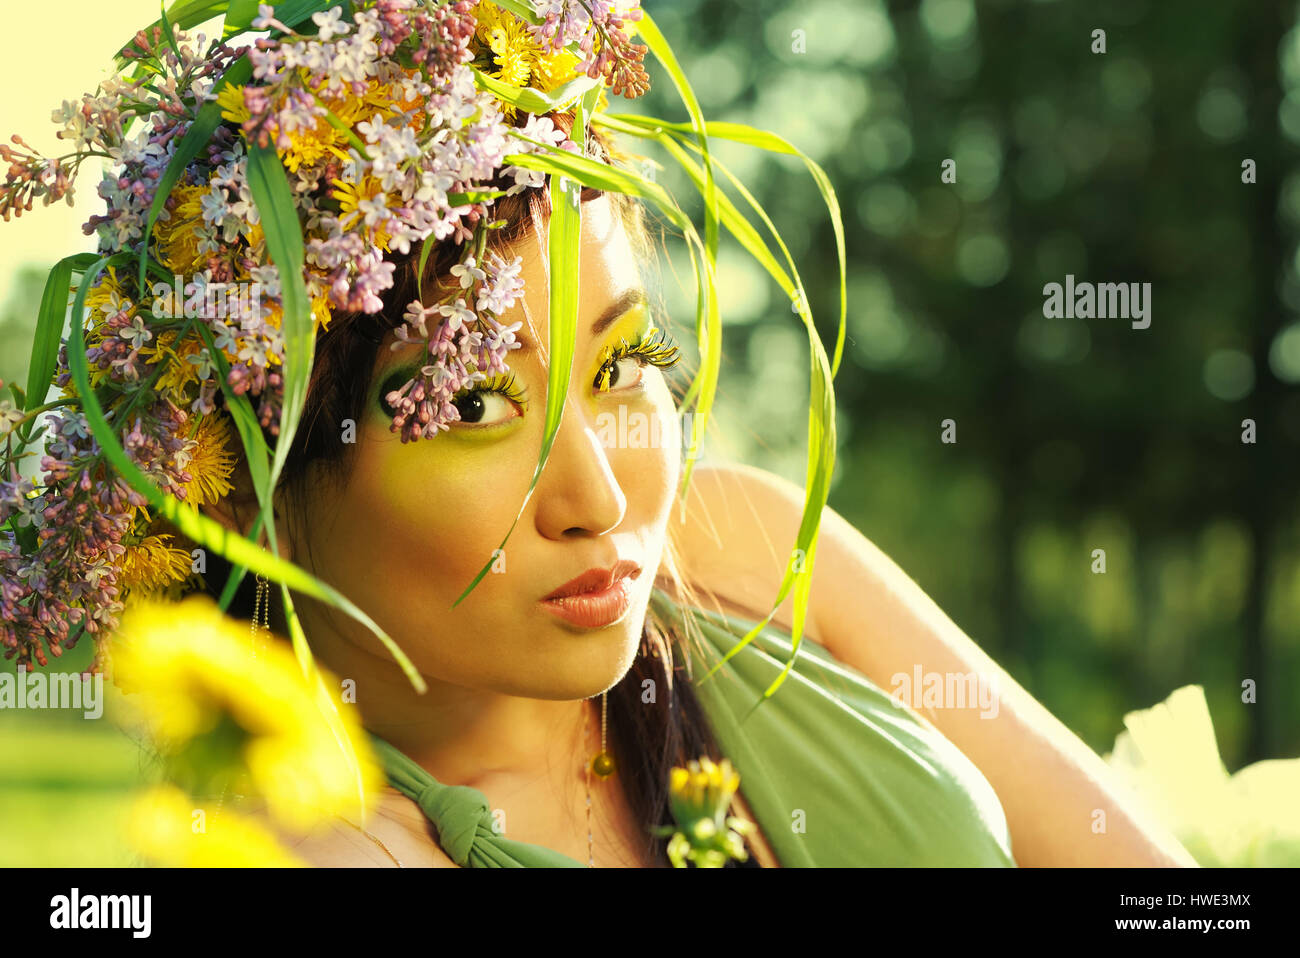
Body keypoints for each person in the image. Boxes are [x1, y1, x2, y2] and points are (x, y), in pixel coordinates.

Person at [0, 0, 1198, 868]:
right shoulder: (307, 848)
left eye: (621, 365)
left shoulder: (752, 549)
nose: (601, 498)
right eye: (470, 405)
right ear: (249, 486)